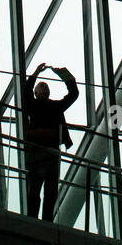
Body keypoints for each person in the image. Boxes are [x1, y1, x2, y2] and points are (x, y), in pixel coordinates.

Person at [22, 62, 78, 220]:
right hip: (51, 154)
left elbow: (26, 91)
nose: (44, 87)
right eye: (42, 86)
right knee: (49, 192)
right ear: (38, 92)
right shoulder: (55, 107)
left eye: (44, 86)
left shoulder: (33, 105)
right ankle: (46, 222)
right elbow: (74, 93)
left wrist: (35, 74)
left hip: (36, 153)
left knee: (35, 191)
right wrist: (63, 75)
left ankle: (33, 220)